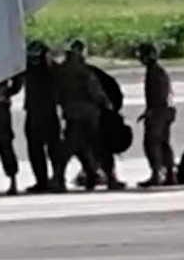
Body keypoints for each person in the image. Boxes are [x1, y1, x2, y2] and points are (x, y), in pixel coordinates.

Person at [52, 42, 125, 191]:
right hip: (89, 115)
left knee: (71, 147)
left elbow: (57, 96)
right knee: (98, 145)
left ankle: (60, 177)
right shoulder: (84, 73)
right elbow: (95, 93)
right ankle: (110, 177)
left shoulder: (61, 73)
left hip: (71, 114)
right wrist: (107, 105)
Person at [21, 40, 65, 192]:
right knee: (44, 148)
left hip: (40, 112)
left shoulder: (43, 70)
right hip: (41, 112)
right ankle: (50, 179)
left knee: (46, 148)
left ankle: (51, 179)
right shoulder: (50, 70)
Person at [135, 42, 176, 187]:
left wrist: (152, 112)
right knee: (163, 143)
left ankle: (157, 174)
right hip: (165, 111)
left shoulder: (155, 72)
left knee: (152, 143)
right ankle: (169, 174)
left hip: (160, 112)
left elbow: (160, 94)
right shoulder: (156, 71)